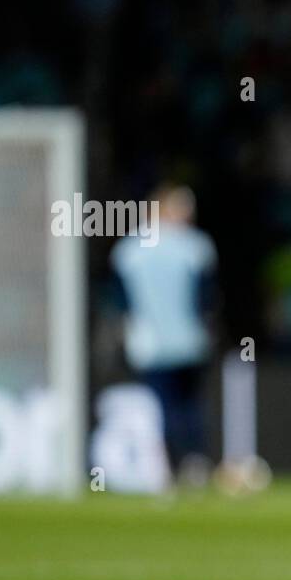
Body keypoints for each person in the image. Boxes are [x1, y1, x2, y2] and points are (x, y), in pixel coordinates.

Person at [111, 184, 218, 482]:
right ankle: (191, 463)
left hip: (150, 344)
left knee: (164, 407)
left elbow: (121, 302)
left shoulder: (129, 250)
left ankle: (169, 465)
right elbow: (206, 298)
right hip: (188, 340)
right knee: (187, 406)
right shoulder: (195, 246)